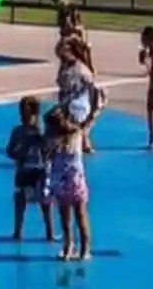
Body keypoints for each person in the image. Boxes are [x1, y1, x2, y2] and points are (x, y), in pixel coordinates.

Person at [45, 105, 93, 261]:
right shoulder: (61, 140)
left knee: (74, 217)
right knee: (73, 217)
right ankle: (75, 248)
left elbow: (86, 125)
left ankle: (77, 248)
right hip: (68, 182)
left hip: (69, 182)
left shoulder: (73, 136)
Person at [5, 96, 54, 242]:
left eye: (29, 117)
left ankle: (50, 232)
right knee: (20, 200)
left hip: (40, 171)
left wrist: (42, 142)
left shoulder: (41, 132)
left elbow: (48, 150)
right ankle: (17, 231)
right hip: (23, 170)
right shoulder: (17, 132)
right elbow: (9, 151)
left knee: (45, 202)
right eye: (23, 116)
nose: (26, 120)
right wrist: (21, 151)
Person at [56, 36, 104, 153]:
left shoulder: (78, 68)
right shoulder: (71, 65)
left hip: (76, 106)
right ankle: (82, 135)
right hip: (74, 103)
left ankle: (81, 135)